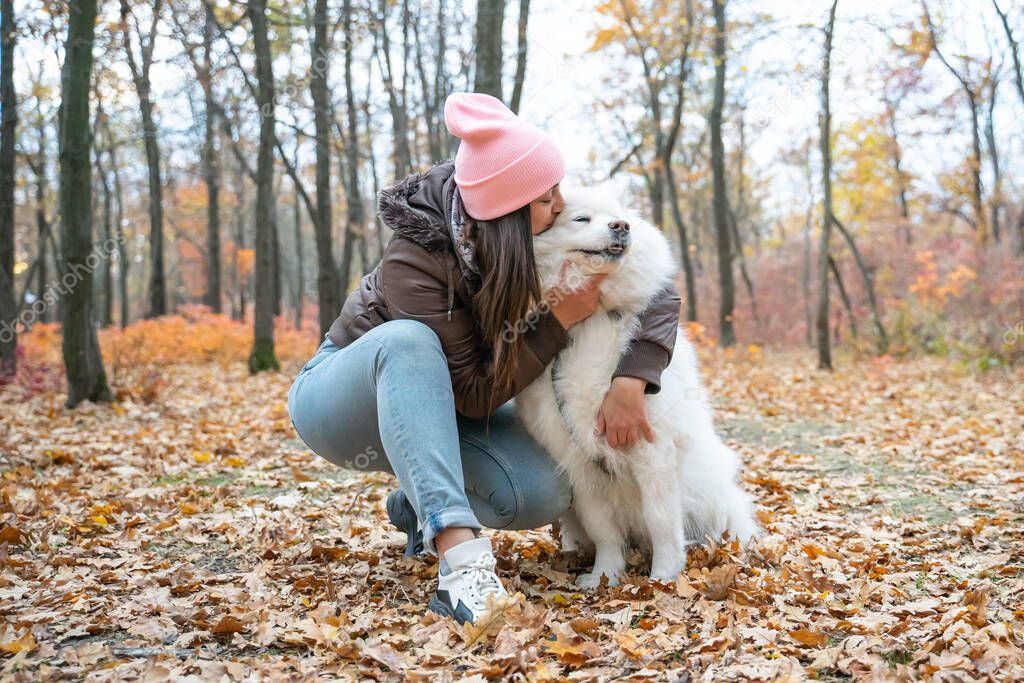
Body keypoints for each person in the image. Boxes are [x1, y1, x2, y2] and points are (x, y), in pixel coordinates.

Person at [287, 92, 681, 625]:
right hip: (348, 400)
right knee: (409, 342)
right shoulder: (417, 260)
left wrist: (633, 379)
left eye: (558, 190)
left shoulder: (533, 228)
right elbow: (472, 393)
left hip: (447, 411)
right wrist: (559, 318)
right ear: (507, 216)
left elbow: (650, 280)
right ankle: (462, 564)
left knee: (542, 492)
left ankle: (416, 502)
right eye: (547, 200)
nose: (560, 206)